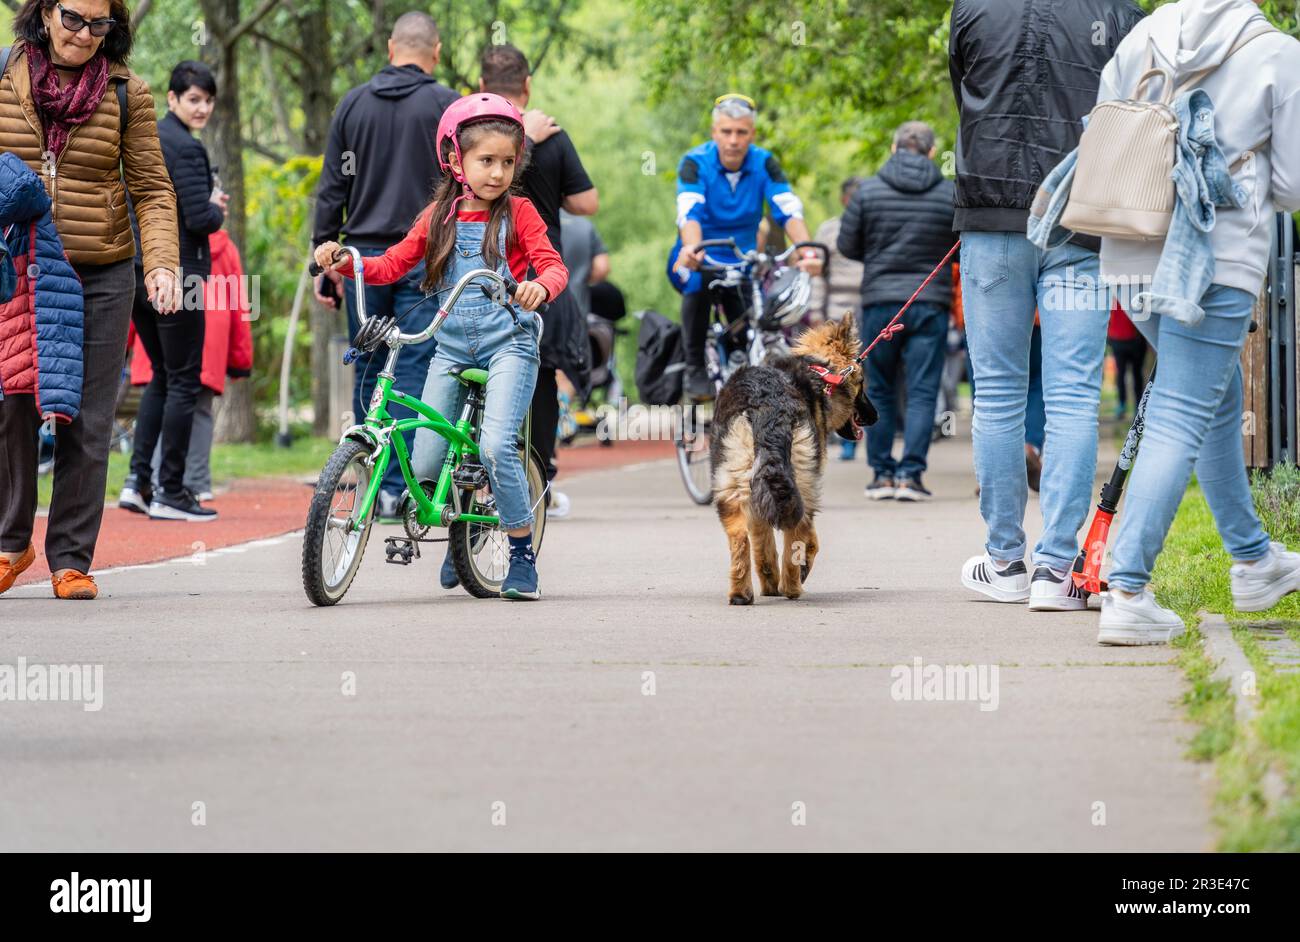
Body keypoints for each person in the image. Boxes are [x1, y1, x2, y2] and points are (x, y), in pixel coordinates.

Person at [1093, 0, 1300, 643]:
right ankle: (1126, 590)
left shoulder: (1140, 37)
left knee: (1216, 394)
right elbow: (1293, 185)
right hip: (1213, 260)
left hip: (1129, 248)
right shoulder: (1279, 54)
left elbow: (1103, 134)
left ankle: (1253, 559)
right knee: (1183, 406)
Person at [313, 93, 568, 601]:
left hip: (508, 345)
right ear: (456, 160)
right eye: (485, 161)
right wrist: (346, 260)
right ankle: (460, 538)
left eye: (507, 162)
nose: (497, 173)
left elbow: (553, 265)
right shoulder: (438, 217)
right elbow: (388, 265)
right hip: (450, 347)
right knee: (426, 463)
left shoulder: (520, 212)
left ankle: (520, 555)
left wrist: (542, 286)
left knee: (496, 446)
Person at [949, 0, 1144, 612]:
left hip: (992, 215)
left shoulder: (972, 8)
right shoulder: (1120, 13)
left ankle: (1005, 559)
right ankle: (1057, 569)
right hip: (1081, 219)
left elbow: (964, 88)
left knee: (999, 392)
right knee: (1073, 397)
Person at [0, 0, 180, 602]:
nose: (84, 34)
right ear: (45, 12)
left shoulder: (129, 92)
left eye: (99, 25)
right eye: (73, 19)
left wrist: (160, 265)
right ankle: (10, 542)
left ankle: (70, 559)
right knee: (12, 408)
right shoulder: (4, 75)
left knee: (87, 417)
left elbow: (152, 188)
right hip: (19, 270)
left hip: (101, 272)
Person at [312, 11, 459, 520]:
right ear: (434, 52)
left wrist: (324, 257)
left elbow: (333, 186)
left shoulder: (353, 104)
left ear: (392, 48)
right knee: (416, 366)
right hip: (426, 258)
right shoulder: (446, 107)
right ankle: (400, 487)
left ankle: (370, 478)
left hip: (363, 260)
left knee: (371, 366)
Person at [479, 43, 598, 508]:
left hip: (483, 267)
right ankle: (539, 482)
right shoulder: (551, 136)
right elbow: (588, 203)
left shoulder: (471, 138)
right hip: (538, 269)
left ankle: (483, 479)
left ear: (481, 88)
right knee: (542, 374)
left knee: (484, 370)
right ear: (527, 85)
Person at [119, 60, 226, 523]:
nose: (201, 108)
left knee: (162, 376)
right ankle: (172, 490)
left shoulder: (149, 136)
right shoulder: (186, 147)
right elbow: (199, 220)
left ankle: (138, 482)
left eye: (207, 100)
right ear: (173, 99)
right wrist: (216, 207)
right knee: (184, 378)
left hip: (138, 270)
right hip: (179, 274)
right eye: (193, 99)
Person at [669, 94, 823, 401]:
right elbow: (689, 210)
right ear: (714, 133)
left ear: (751, 134)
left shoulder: (764, 162)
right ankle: (696, 366)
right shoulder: (694, 162)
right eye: (726, 132)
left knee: (748, 324)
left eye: (741, 132)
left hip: (743, 261)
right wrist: (692, 248)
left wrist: (806, 250)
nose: (733, 140)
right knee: (698, 285)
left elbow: (786, 208)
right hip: (698, 255)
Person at [838, 122, 957, 502]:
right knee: (923, 391)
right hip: (930, 302)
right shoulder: (950, 194)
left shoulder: (866, 192)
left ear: (893, 147)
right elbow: (958, 245)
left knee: (881, 389)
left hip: (879, 304)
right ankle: (912, 476)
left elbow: (846, 245)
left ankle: (882, 475)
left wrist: (879, 257)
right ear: (932, 151)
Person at [125, 228, 253, 501]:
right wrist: (240, 359)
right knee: (200, 411)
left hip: (160, 334)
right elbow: (239, 301)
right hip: (210, 341)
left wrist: (125, 343)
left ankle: (155, 478)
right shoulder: (225, 247)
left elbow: (136, 296)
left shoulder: (155, 236)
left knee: (161, 401)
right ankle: (197, 482)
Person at [811, 177, 865, 326]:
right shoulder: (828, 230)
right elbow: (817, 274)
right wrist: (815, 312)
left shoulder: (876, 230)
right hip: (835, 314)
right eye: (853, 198)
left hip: (871, 312)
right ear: (844, 200)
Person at [1107, 303, 1146, 421]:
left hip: (1121, 338)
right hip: (1130, 338)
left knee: (1123, 374)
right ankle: (1136, 408)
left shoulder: (1111, 290)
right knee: (1135, 374)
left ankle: (1123, 406)